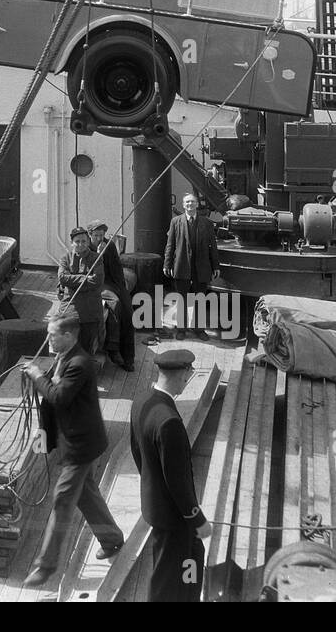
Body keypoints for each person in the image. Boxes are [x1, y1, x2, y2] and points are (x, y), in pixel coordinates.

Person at [20, 313, 124, 587]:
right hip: (74, 441)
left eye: (52, 335)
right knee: (86, 495)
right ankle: (112, 538)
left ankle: (45, 566)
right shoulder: (64, 356)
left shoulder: (79, 363)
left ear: (69, 336)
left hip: (81, 445)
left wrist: (36, 375)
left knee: (62, 500)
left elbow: (59, 397)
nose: (48, 339)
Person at [130, 348, 211, 602]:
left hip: (158, 506)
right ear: (184, 374)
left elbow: (136, 451)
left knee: (193, 558)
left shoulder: (142, 401)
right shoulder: (169, 422)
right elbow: (178, 481)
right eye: (189, 375)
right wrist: (197, 520)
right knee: (165, 581)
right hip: (174, 516)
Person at [163, 193, 222, 339]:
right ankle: (181, 330)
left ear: (197, 204)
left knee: (200, 299)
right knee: (182, 299)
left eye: (192, 202)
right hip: (181, 265)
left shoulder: (207, 223)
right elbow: (170, 245)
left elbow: (212, 247)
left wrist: (216, 266)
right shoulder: (175, 222)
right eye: (187, 202)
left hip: (201, 268)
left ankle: (199, 329)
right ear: (183, 205)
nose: (190, 205)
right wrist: (167, 264)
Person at [89, 220, 132, 370]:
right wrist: (98, 255)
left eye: (102, 235)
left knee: (126, 309)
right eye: (96, 235)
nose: (100, 239)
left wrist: (122, 287)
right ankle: (113, 348)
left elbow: (116, 269)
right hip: (93, 283)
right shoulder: (85, 246)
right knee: (114, 303)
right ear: (90, 235)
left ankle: (127, 357)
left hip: (108, 282)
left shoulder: (109, 245)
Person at [57, 227, 105, 354]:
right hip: (70, 307)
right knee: (67, 348)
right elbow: (62, 278)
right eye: (77, 241)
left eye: (83, 241)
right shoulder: (65, 258)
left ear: (88, 242)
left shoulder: (96, 258)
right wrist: (85, 278)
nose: (80, 244)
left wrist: (72, 280)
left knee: (85, 350)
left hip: (89, 310)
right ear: (72, 242)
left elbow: (97, 281)